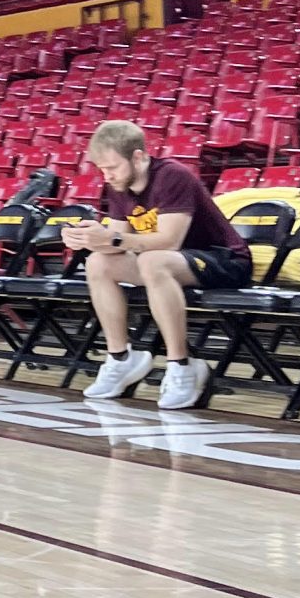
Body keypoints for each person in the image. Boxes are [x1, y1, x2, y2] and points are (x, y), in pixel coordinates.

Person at [62, 118, 252, 410]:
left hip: (223, 260)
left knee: (152, 260)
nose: (106, 175)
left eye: (112, 167)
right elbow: (115, 241)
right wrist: (85, 237)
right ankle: (121, 359)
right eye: (102, 169)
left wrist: (110, 239)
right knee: (98, 263)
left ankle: (182, 364)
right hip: (169, 262)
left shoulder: (173, 176)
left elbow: (169, 241)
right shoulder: (119, 185)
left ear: (138, 157)